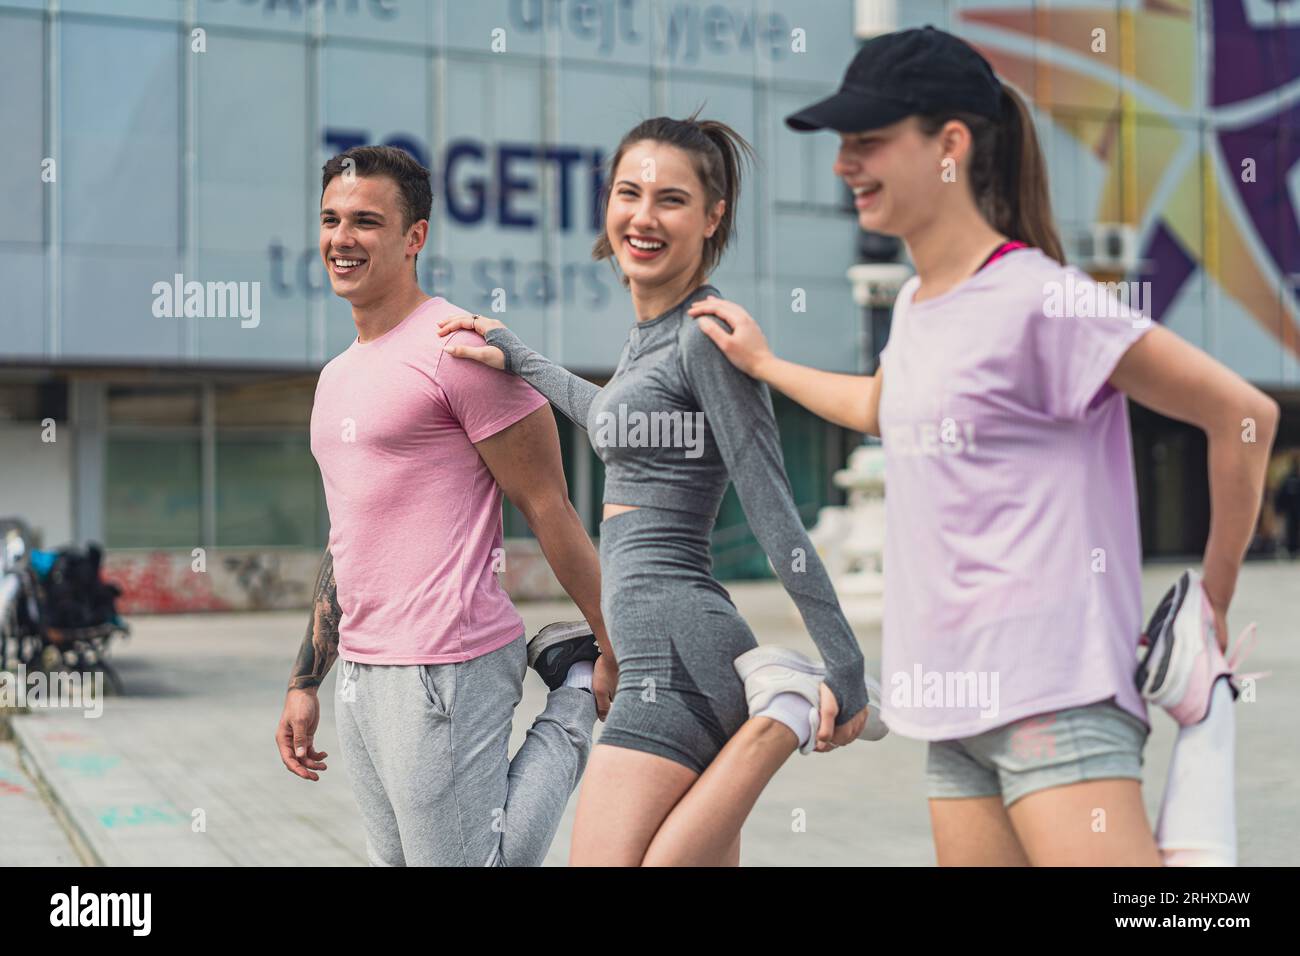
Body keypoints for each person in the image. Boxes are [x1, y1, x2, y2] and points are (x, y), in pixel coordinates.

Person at [689, 26, 1279, 866]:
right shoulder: (920, 306)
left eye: (868, 142)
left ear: (949, 146)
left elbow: (1243, 414)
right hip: (952, 712)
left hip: (1056, 701)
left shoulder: (1043, 300)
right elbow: (881, 407)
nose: (843, 165)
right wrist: (765, 363)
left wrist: (1210, 609)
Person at [438, 114, 883, 866]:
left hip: (678, 655)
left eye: (671, 199)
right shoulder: (650, 336)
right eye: (629, 192)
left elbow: (773, 507)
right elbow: (613, 421)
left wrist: (846, 666)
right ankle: (779, 705)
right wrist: (521, 359)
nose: (643, 216)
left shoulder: (706, 337)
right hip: (661, 646)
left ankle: (786, 708)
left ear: (712, 218)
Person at [274, 145, 617, 867]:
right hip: (365, 675)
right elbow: (350, 539)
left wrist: (614, 643)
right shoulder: (337, 377)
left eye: (367, 221)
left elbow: (549, 505)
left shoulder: (460, 350)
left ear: (415, 236)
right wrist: (307, 680)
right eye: (331, 220)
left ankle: (575, 688)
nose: (343, 238)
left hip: (447, 665)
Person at [1274, 456, 1300, 557]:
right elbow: (1281, 495)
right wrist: (1279, 508)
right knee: (1291, 530)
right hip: (1291, 512)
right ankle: (1292, 549)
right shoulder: (1289, 480)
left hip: (1295, 510)